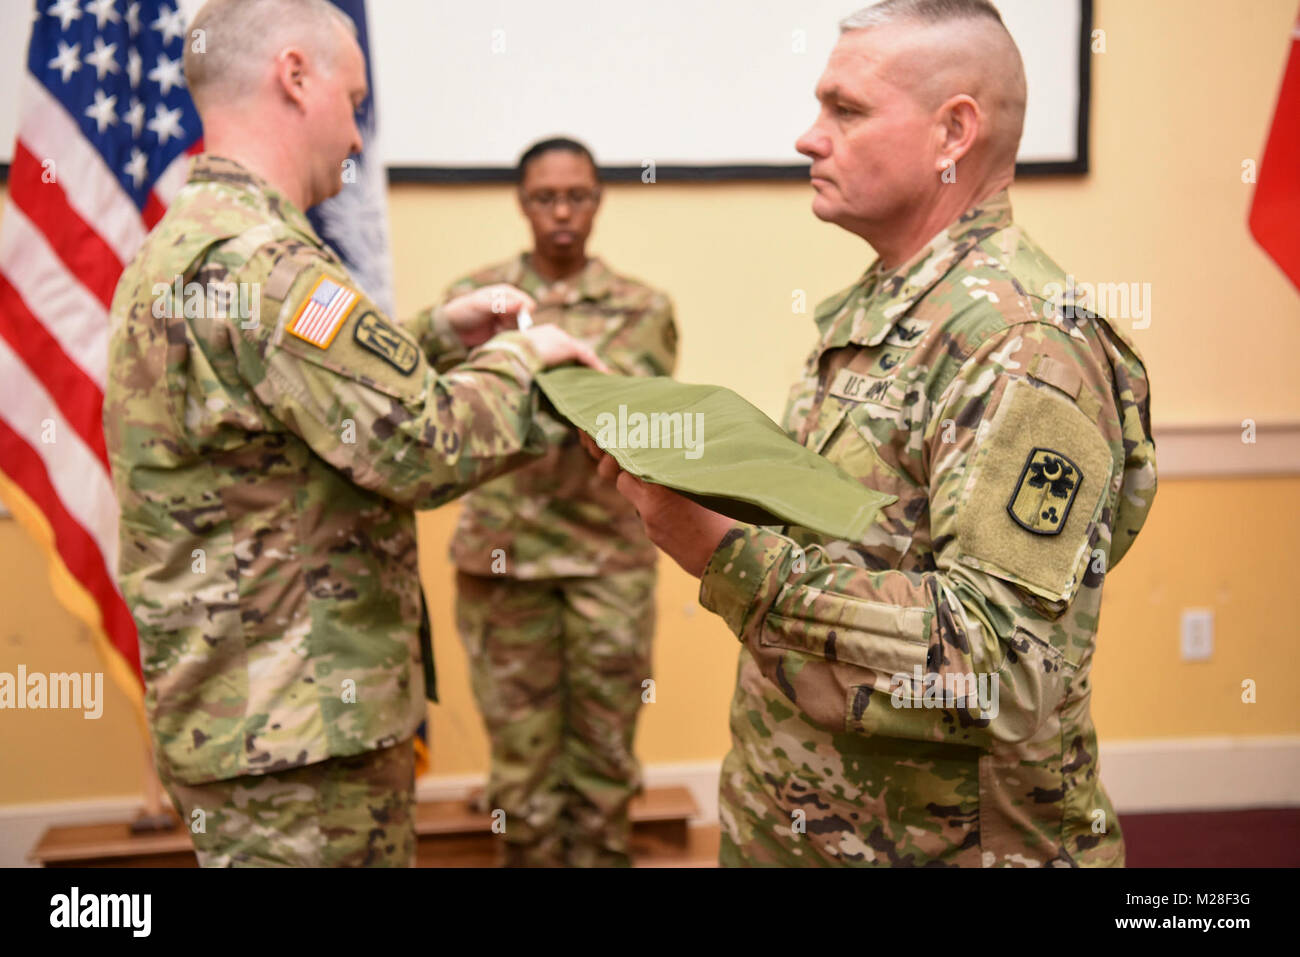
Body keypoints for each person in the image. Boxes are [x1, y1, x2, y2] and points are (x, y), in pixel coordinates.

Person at [585, 0, 1157, 866]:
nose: (807, 137)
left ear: (952, 133)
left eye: (845, 110)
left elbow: (1002, 666)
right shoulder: (882, 308)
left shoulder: (1025, 341)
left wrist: (724, 554)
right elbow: (860, 539)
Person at [103, 0, 602, 867]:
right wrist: (527, 357)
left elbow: (291, 410)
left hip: (244, 716)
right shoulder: (270, 264)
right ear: (295, 76)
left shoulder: (180, 247)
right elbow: (424, 445)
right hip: (304, 733)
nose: (359, 138)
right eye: (355, 102)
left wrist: (442, 334)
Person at [447, 138, 678, 867]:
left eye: (577, 195)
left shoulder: (642, 306)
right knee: (520, 770)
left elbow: (624, 414)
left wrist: (521, 391)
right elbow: (457, 417)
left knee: (606, 760)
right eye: (546, 197)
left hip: (605, 561)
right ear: (523, 203)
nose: (562, 212)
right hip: (502, 564)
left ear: (598, 201)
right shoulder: (480, 299)